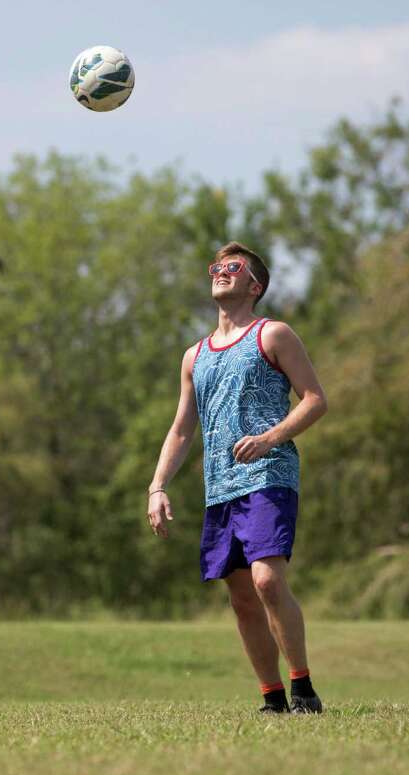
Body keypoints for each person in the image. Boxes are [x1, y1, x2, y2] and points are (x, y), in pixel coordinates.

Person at [147, 242, 328, 714]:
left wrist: (271, 438)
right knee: (243, 597)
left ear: (255, 285)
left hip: (269, 472)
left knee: (268, 581)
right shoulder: (194, 356)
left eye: (233, 267)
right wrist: (158, 486)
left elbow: (314, 399)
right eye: (216, 267)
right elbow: (183, 428)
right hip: (220, 485)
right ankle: (272, 699)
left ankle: (303, 688)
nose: (221, 272)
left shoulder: (274, 335)